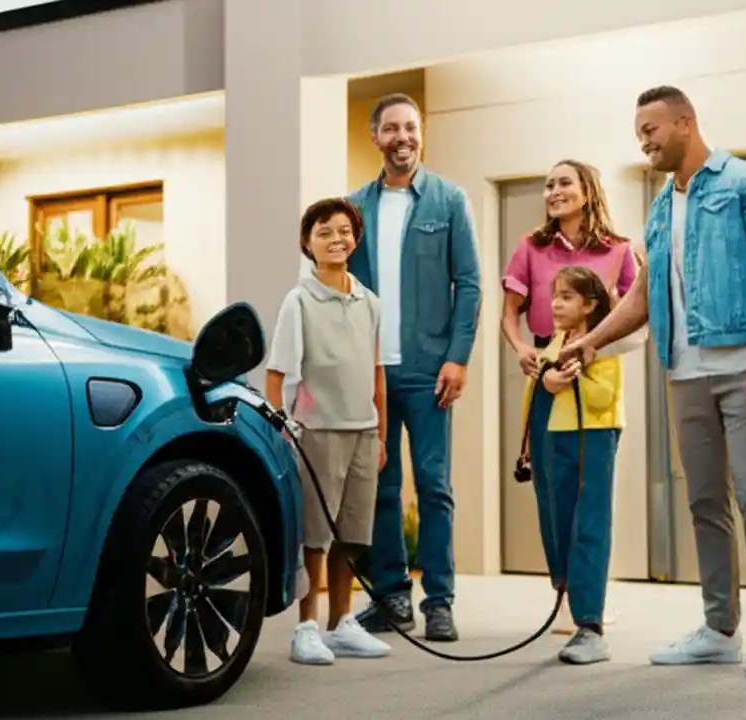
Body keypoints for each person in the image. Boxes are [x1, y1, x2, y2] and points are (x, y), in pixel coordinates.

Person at [561, 85, 746, 677]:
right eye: (638, 133)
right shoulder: (662, 206)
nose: (644, 141)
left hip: (743, 365)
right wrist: (589, 341)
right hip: (684, 372)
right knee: (704, 500)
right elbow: (642, 295)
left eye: (651, 129)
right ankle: (719, 629)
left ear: (685, 123)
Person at [345, 93, 482, 642]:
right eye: (392, 129)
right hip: (373, 372)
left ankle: (440, 602)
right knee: (380, 485)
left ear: (420, 133)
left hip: (430, 372)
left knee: (434, 487)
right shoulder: (355, 207)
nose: (403, 137)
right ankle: (391, 598)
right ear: (375, 137)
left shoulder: (449, 200)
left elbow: (469, 284)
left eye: (411, 127)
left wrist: (457, 357)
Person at [500, 159, 640, 635]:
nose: (553, 191)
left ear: (588, 191)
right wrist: (524, 352)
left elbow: (636, 315)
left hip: (597, 368)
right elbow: (510, 313)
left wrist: (592, 353)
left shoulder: (619, 250)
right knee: (551, 497)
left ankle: (587, 601)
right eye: (548, 185)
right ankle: (563, 592)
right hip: (546, 368)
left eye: (564, 183)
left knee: (591, 499)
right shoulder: (530, 247)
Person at [266, 197, 392, 665]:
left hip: (364, 432)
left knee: (352, 533)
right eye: (324, 232)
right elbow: (277, 374)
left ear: (355, 239)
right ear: (308, 243)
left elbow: (377, 371)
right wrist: (284, 430)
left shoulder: (370, 302)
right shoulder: (298, 301)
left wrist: (380, 433)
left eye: (343, 231)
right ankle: (307, 628)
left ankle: (342, 623)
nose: (336, 239)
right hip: (317, 432)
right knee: (315, 535)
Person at [518, 266, 624, 665]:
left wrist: (571, 378)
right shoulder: (555, 342)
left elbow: (602, 397)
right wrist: (545, 377)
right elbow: (538, 389)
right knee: (556, 519)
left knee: (588, 523)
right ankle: (568, 597)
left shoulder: (604, 345)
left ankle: (590, 624)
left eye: (566, 297)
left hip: (590, 436)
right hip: (552, 438)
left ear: (590, 305)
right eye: (554, 296)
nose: (555, 305)